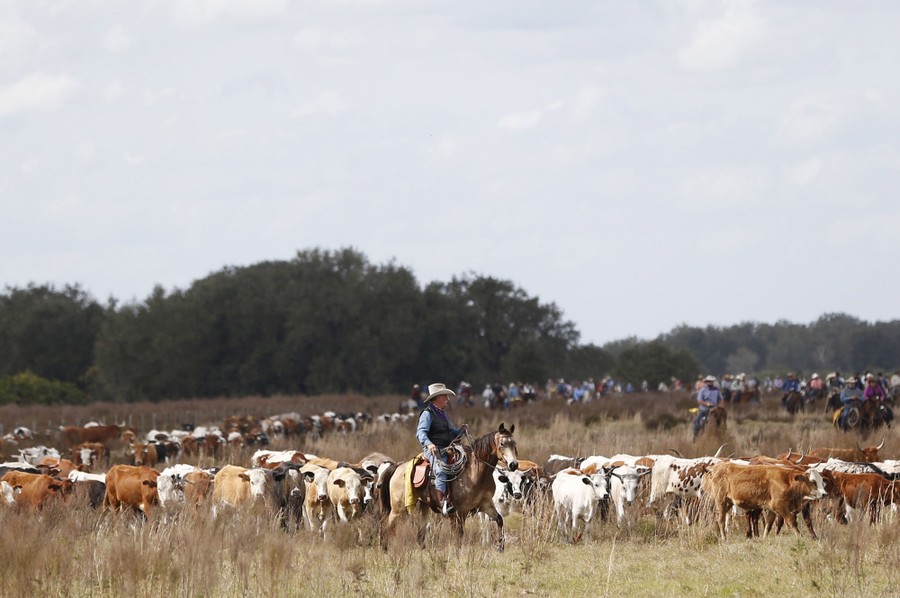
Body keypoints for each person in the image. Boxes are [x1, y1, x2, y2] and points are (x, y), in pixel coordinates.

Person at [416, 383, 467, 515]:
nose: (447, 399)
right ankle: (443, 502)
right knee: (441, 470)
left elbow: (453, 432)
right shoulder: (427, 414)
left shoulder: (443, 414)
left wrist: (461, 430)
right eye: (445, 396)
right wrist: (429, 444)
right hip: (434, 450)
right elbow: (421, 433)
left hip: (447, 448)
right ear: (438, 398)